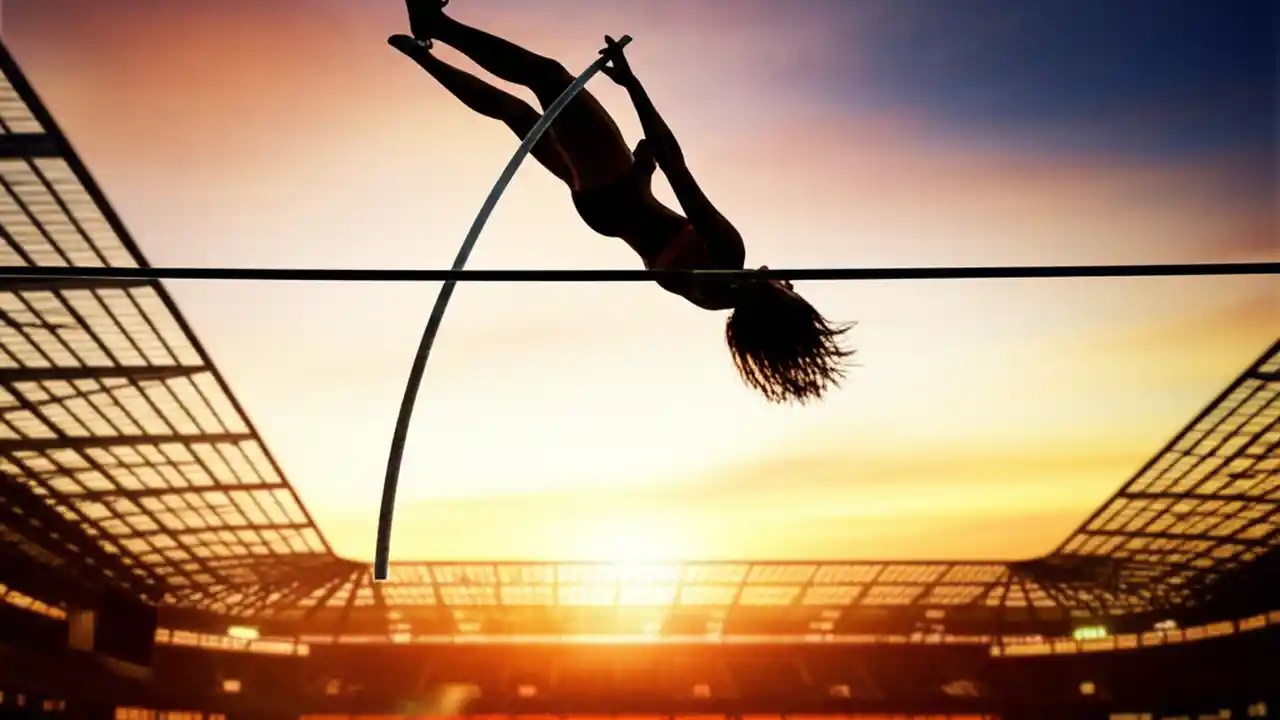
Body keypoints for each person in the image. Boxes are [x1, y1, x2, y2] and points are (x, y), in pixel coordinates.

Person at [390, 0, 852, 403]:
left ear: (778, 301)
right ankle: (423, 56)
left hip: (615, 186)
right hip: (603, 207)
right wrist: (644, 171)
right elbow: (653, 232)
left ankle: (436, 23)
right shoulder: (711, 298)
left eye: (790, 289)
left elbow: (675, 163)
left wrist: (632, 86)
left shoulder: (729, 256)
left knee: (547, 77)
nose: (790, 280)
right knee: (518, 115)